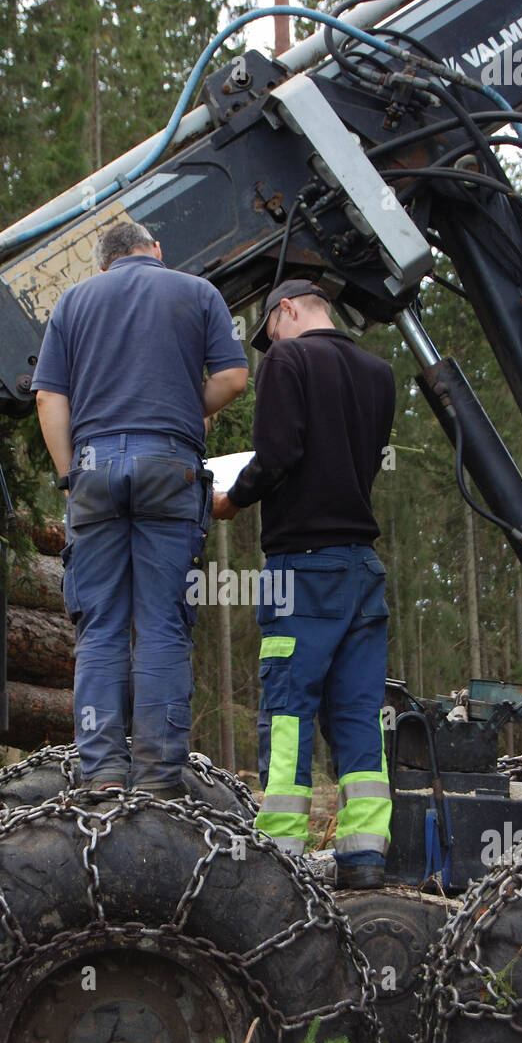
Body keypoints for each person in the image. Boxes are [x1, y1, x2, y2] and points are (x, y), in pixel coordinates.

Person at [33, 219, 249, 797]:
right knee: (161, 625)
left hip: (94, 467)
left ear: (105, 262)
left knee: (100, 628)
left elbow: (49, 395)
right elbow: (233, 378)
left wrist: (67, 475)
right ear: (155, 249)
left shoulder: (73, 302)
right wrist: (185, 408)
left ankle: (102, 771)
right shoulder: (198, 292)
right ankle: (157, 775)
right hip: (169, 466)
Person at [212, 279, 395, 888]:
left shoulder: (290, 359)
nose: (271, 348)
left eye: (268, 334)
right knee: (360, 713)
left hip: (301, 570)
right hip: (362, 571)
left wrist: (232, 499)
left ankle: (282, 859)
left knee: (288, 710)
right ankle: (366, 857)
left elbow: (278, 454)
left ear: (285, 310)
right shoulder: (378, 372)